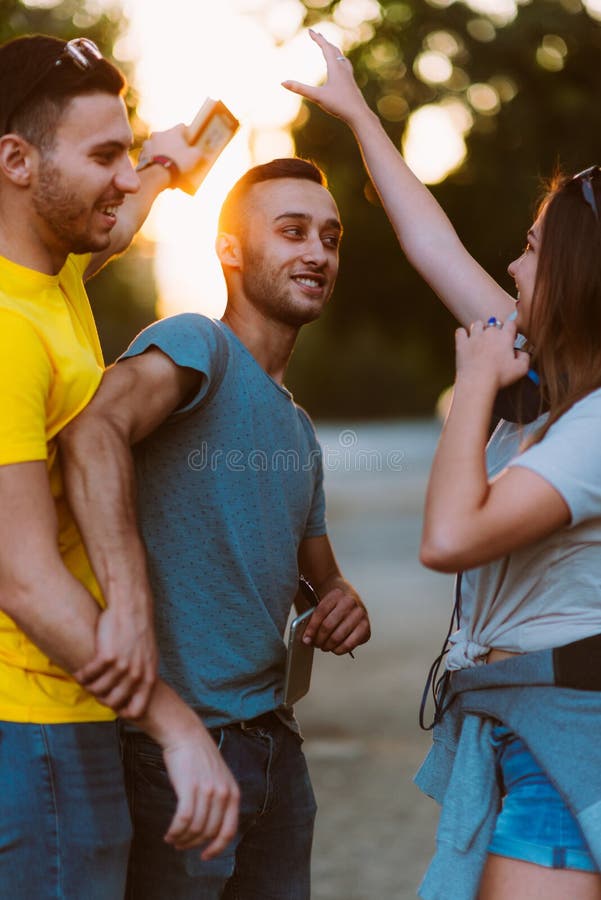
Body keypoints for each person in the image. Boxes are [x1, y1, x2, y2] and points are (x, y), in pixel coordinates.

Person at [284, 32, 601, 900]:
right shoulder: (555, 381)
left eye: (532, 249)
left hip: (572, 749)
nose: (509, 262)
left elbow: (449, 536)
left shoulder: (595, 424)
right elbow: (431, 241)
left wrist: (470, 390)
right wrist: (354, 114)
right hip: (523, 734)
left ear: (577, 272)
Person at [59, 156, 371, 899]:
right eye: (291, 232)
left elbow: (313, 579)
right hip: (174, 754)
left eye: (329, 238)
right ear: (230, 250)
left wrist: (337, 600)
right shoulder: (199, 345)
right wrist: (129, 601)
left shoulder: (295, 430)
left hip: (276, 751)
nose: (316, 253)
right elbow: (92, 427)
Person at [0, 33, 238, 900]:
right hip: (31, 732)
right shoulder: (6, 332)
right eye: (105, 154)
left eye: (126, 152)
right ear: (16, 160)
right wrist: (175, 727)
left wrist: (168, 163)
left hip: (64, 719)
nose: (124, 176)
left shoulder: (48, 278)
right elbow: (23, 578)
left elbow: (119, 214)